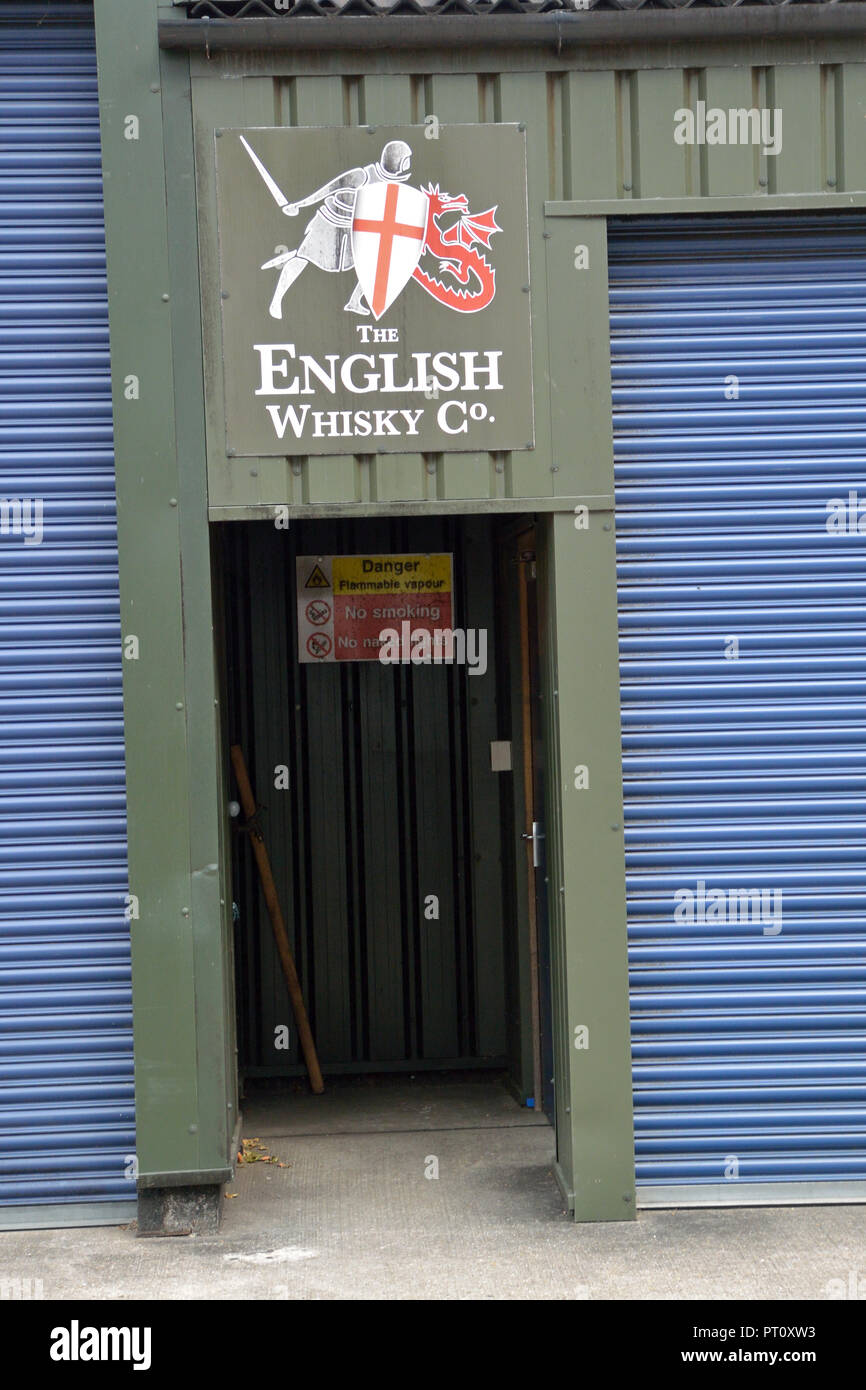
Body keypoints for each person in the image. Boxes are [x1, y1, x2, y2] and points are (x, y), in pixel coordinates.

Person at [262, 140, 413, 318]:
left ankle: (354, 301)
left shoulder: (389, 185)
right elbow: (328, 189)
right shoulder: (361, 176)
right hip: (329, 223)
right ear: (397, 162)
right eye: (406, 160)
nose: (409, 164)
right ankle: (276, 301)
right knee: (302, 258)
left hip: (355, 229)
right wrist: (299, 205)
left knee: (377, 264)